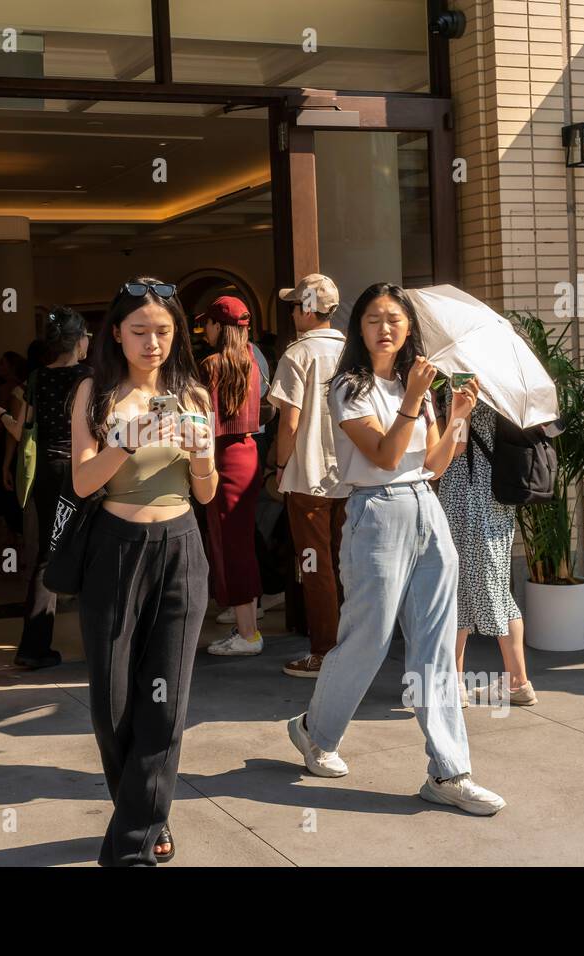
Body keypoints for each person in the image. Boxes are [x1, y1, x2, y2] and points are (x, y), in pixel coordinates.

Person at [285, 282, 507, 816]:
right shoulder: (349, 388)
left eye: (394, 319)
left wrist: (456, 417)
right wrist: (411, 399)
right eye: (373, 320)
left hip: (427, 508)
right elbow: (384, 458)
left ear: (408, 327)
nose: (385, 328)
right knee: (369, 638)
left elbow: (432, 465)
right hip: (376, 512)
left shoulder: (420, 390)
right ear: (359, 330)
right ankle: (316, 730)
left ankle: (449, 772)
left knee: (434, 647)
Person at [69, 276, 216, 865]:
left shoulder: (196, 396)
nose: (152, 343)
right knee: (112, 702)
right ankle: (145, 811)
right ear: (116, 333)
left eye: (163, 331)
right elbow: (82, 481)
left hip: (181, 546)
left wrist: (203, 456)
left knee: (167, 704)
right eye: (139, 332)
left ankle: (132, 843)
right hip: (114, 548)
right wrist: (126, 441)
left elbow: (205, 495)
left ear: (176, 333)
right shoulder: (94, 393)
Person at [0, 307, 90, 669]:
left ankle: (33, 647)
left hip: (46, 473)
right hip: (81, 472)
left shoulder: (38, 379)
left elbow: (23, 432)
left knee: (47, 555)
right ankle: (101, 645)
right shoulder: (89, 378)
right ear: (78, 342)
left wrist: (3, 417)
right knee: (93, 551)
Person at [268, 274, 348, 678]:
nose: (293, 312)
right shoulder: (355, 350)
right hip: (354, 474)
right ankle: (354, 650)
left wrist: (281, 466)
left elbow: (290, 422)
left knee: (316, 567)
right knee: (348, 562)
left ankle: (323, 651)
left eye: (296, 305)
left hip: (308, 477)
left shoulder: (296, 355)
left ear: (308, 309)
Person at [438, 401, 537, 706]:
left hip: (465, 491)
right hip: (496, 493)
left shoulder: (464, 383)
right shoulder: (502, 386)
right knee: (491, 584)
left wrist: (451, 416)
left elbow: (458, 443)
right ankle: (516, 681)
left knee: (460, 587)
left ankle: (457, 684)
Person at [197, 296, 265, 656]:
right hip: (250, 453)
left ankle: (248, 634)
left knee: (231, 547)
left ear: (218, 326)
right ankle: (247, 625)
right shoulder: (251, 361)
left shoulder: (211, 365)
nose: (203, 330)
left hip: (222, 458)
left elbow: (204, 424)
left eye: (206, 323)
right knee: (243, 545)